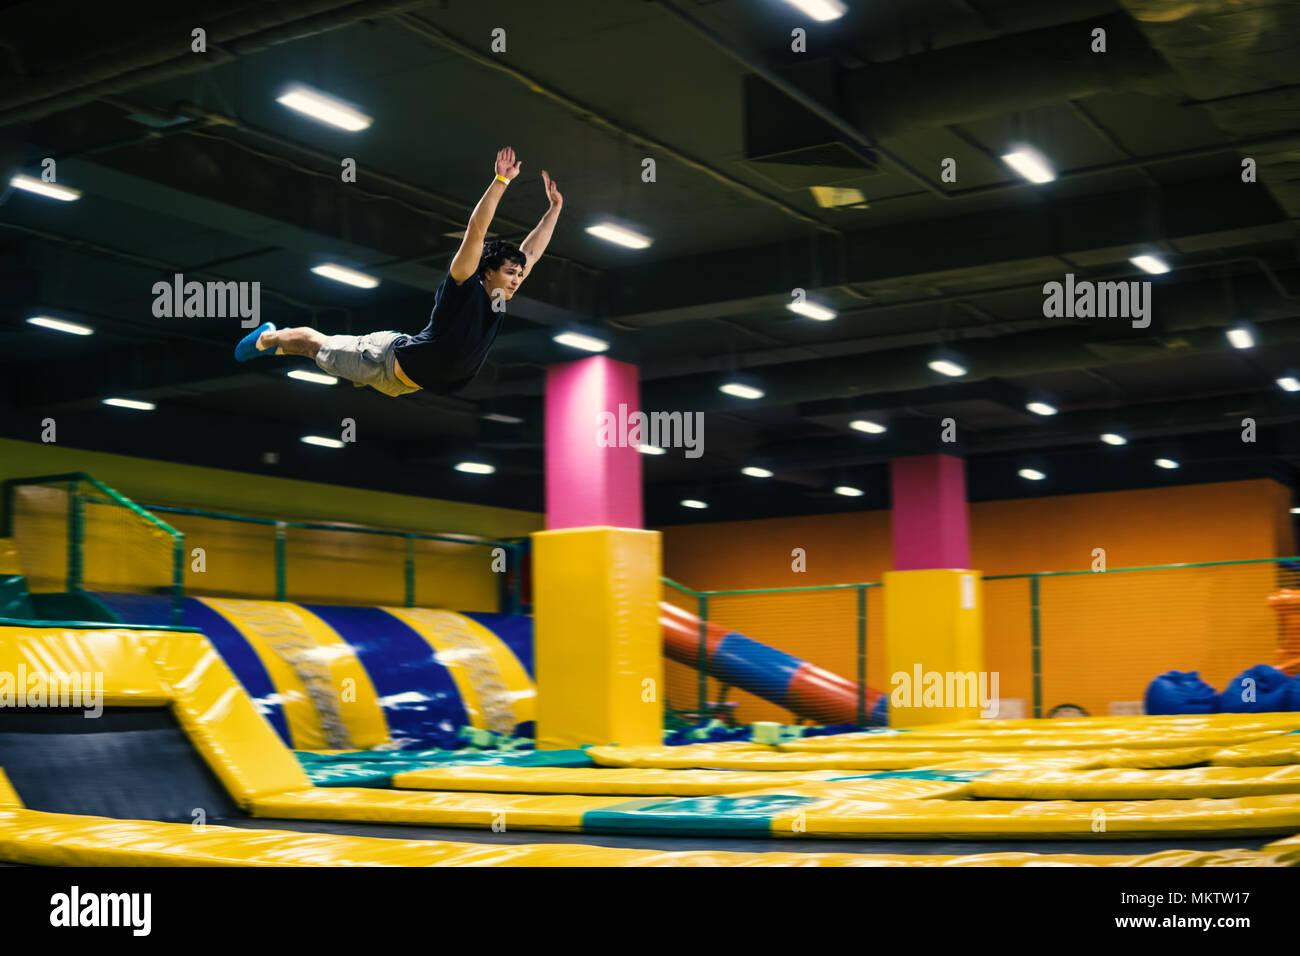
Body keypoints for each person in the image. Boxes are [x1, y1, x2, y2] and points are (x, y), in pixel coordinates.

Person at [234, 146, 562, 397]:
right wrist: (501, 180)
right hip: (385, 359)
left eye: (519, 275)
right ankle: (267, 336)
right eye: (510, 273)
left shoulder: (498, 299)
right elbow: (476, 230)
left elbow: (531, 252)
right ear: (486, 272)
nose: (517, 280)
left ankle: (277, 344)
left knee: (318, 355)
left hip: (407, 384)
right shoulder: (465, 281)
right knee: (314, 346)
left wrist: (554, 210)